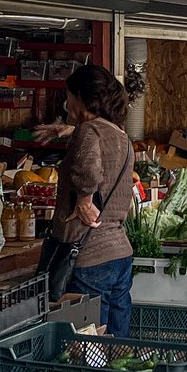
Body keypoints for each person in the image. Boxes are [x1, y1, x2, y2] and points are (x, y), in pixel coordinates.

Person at [37, 64, 136, 336]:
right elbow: (99, 147)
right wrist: (67, 130)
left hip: (89, 255)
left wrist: (84, 197)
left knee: (88, 345)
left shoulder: (88, 131)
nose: (66, 102)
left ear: (81, 97)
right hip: (120, 254)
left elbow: (89, 169)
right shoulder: (121, 136)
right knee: (117, 342)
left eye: (68, 95)